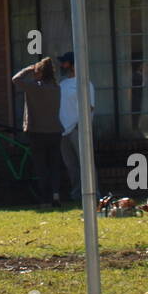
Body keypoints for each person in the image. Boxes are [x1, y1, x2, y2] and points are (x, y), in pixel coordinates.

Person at [11, 57, 62, 207]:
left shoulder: (34, 87)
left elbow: (16, 79)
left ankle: (45, 199)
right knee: (54, 165)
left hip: (37, 132)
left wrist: (27, 69)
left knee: (41, 167)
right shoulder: (56, 88)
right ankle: (56, 195)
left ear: (39, 73)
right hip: (55, 131)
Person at [57, 51, 96, 203]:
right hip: (63, 131)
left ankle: (94, 193)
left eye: (65, 62)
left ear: (73, 64)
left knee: (85, 164)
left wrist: (80, 126)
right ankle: (76, 194)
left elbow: (90, 107)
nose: (62, 65)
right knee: (70, 165)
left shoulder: (85, 83)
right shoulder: (63, 83)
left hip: (78, 130)